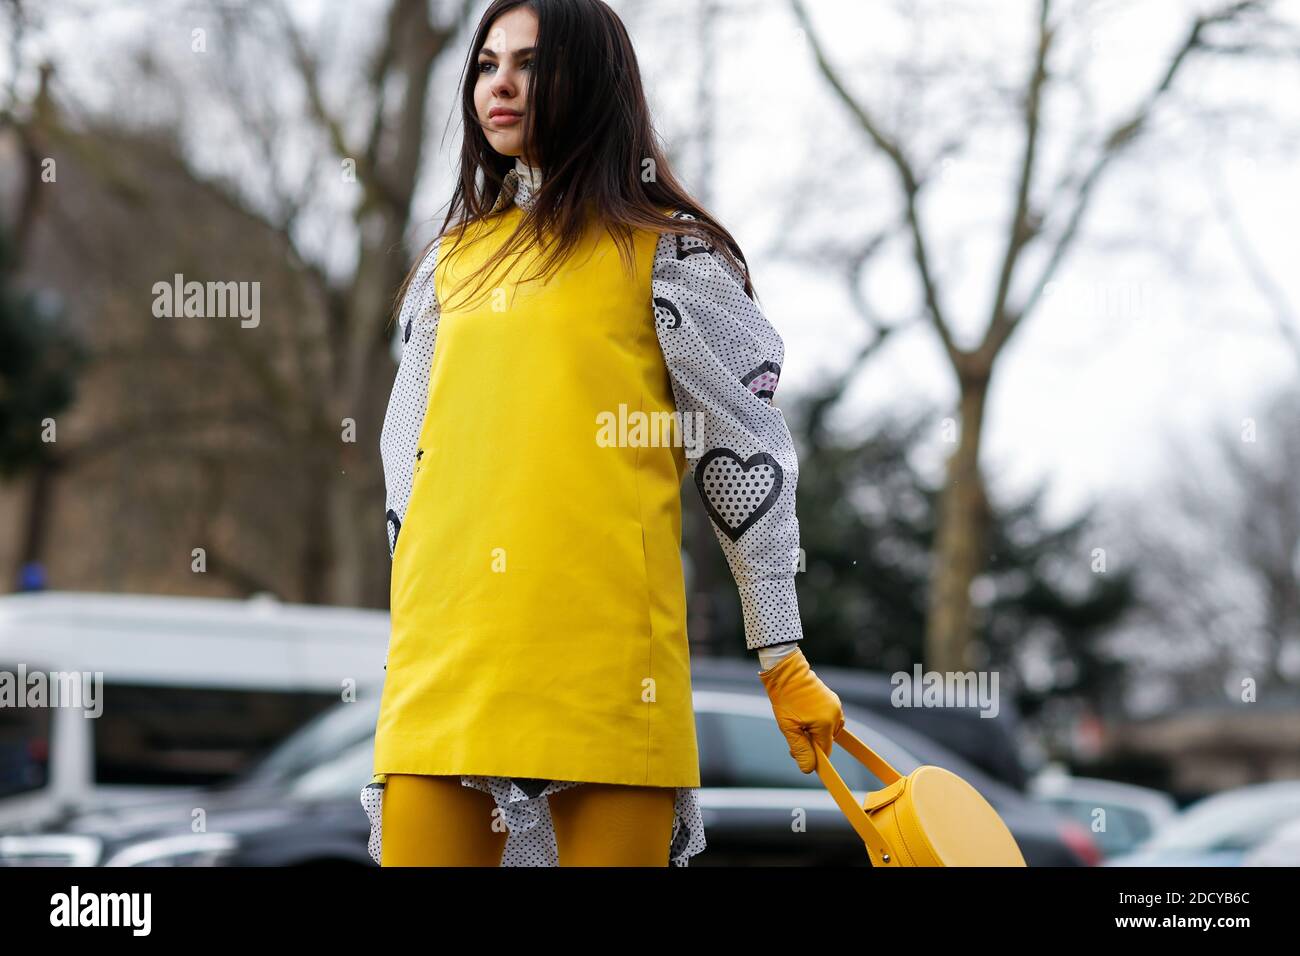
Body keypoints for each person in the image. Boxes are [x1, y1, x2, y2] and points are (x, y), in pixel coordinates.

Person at [361, 0, 845, 867]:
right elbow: (405, 464)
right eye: (485, 64)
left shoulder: (669, 255)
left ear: (594, 81)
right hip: (443, 662)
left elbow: (745, 453)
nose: (499, 84)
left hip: (611, 670)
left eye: (531, 64)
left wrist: (779, 648)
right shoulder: (447, 264)